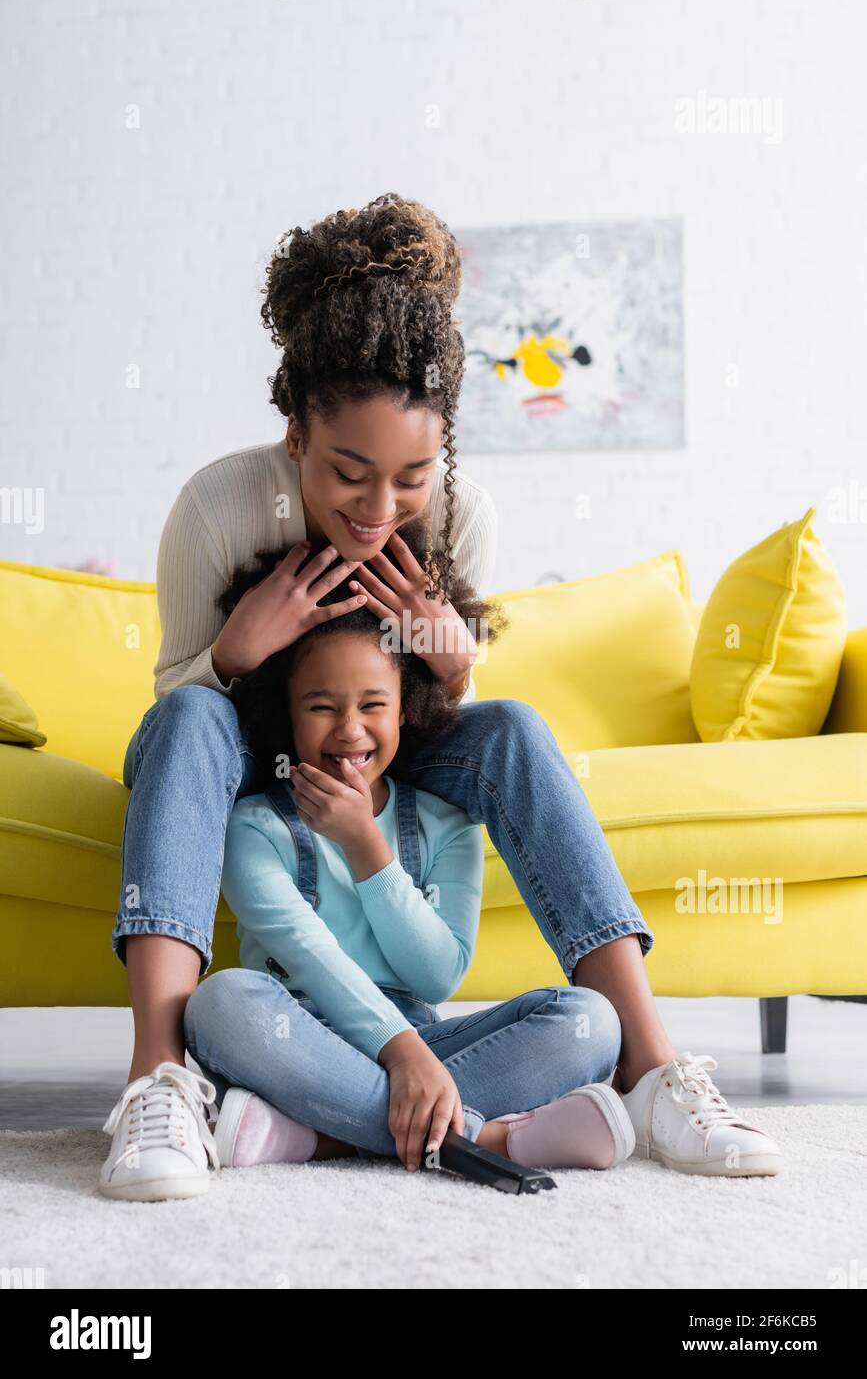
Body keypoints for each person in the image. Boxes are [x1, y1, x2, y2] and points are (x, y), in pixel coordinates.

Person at [100, 192, 781, 1202]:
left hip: (382, 758)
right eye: (349, 474)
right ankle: (164, 1078)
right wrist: (235, 656)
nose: (379, 514)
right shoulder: (218, 506)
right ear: (296, 434)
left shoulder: (468, 515)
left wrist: (454, 667)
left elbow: (435, 730)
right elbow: (171, 722)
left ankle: (642, 1064)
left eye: (412, 478)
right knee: (192, 714)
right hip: (249, 752)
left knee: (509, 727)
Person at [180, 531, 635, 1177]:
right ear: (284, 710)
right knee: (219, 1003)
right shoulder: (256, 826)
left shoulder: (445, 823)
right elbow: (306, 958)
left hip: (427, 1042)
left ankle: (317, 1136)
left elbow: (435, 975)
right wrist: (401, 1058)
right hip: (302, 1038)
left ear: (407, 708)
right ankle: (488, 1140)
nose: (349, 731)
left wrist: (367, 848)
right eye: (320, 707)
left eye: (373, 706)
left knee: (591, 1021)